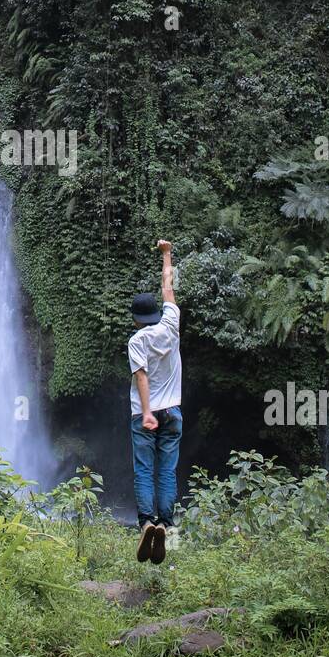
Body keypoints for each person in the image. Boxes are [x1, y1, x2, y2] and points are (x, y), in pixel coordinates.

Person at [128, 239, 182, 564]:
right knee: (168, 472)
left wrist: (147, 412)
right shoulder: (171, 324)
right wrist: (166, 254)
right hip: (173, 411)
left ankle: (147, 522)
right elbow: (168, 286)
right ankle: (167, 525)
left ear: (136, 319)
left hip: (143, 414)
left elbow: (142, 377)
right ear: (157, 313)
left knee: (144, 470)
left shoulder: (136, 341)